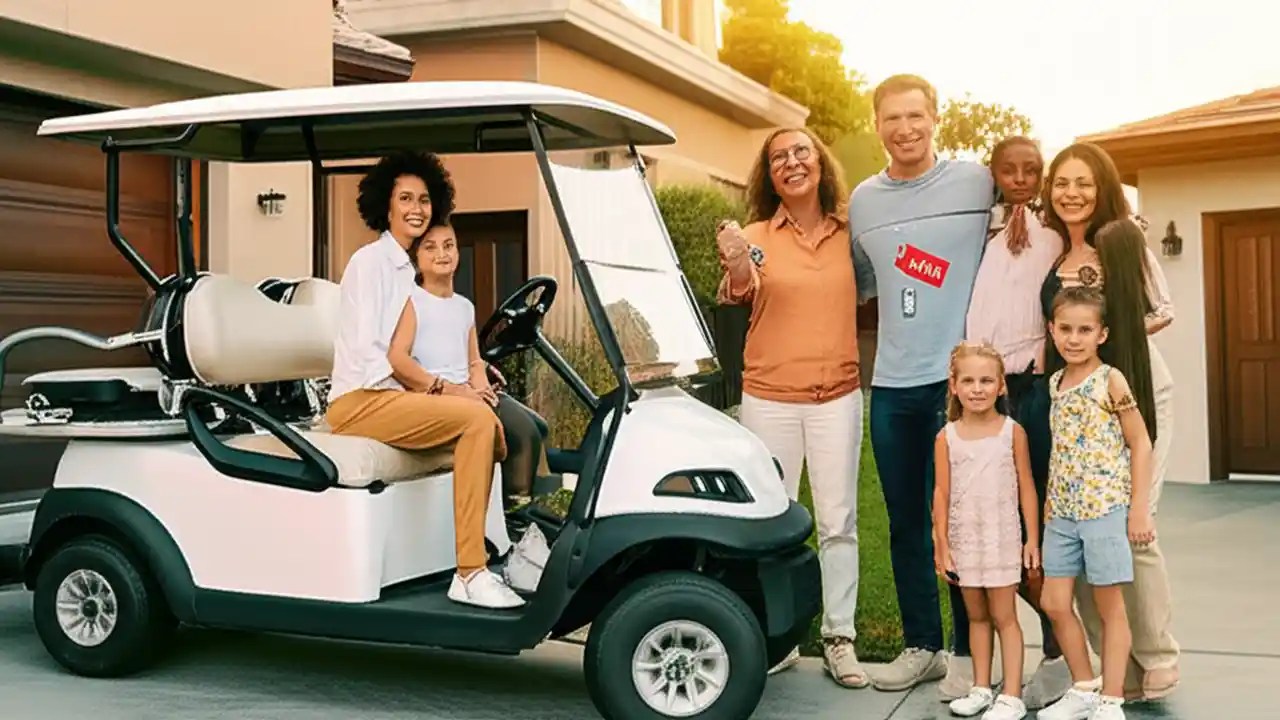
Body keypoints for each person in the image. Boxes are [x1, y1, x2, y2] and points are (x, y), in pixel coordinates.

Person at [325, 151, 524, 610]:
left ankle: (500, 547)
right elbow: (381, 357)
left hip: (391, 400)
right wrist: (448, 391)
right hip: (360, 401)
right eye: (405, 199)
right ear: (386, 206)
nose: (417, 208)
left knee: (485, 422)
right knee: (476, 422)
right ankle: (470, 572)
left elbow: (428, 345)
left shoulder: (407, 273)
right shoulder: (370, 263)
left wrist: (471, 379)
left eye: (425, 199)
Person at [848, 73, 994, 694]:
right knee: (906, 519)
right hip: (893, 389)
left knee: (962, 520)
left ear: (935, 118)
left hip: (957, 386)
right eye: (891, 119)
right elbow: (856, 284)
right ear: (876, 125)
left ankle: (967, 653)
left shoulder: (974, 182)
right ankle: (923, 645)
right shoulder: (863, 202)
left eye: (915, 116)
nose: (904, 129)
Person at [716, 127, 866, 687]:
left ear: (820, 163)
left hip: (838, 398)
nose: (792, 161)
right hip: (770, 399)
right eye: (779, 157)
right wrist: (735, 259)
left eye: (801, 151)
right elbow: (741, 287)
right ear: (769, 174)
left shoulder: (851, 230)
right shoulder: (755, 235)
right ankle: (778, 638)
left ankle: (839, 637)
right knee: (773, 522)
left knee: (838, 520)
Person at [1037, 143, 1180, 702]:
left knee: (1133, 528)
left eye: (1084, 183)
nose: (1071, 193)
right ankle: (1123, 672)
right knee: (1088, 537)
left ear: (1104, 187)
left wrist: (1107, 340)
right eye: (1062, 183)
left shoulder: (1124, 239)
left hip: (1135, 393)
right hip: (1077, 409)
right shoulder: (1053, 253)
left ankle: (1160, 654)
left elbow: (1163, 309)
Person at [964, 136, 1071, 708]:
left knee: (1038, 520)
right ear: (995, 174)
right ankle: (983, 660)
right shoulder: (977, 233)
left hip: (1031, 389)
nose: (1023, 178)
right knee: (983, 517)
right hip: (982, 388)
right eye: (1011, 169)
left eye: (1033, 170)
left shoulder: (1054, 238)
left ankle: (1057, 647)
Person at [1036, 284, 1155, 720]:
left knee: (1109, 608)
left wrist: (1138, 507)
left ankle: (1111, 699)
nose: (1073, 338)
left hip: (1104, 509)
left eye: (1084, 330)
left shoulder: (1111, 380)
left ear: (1101, 334)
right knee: (1053, 602)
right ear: (1051, 330)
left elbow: (1139, 441)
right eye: (1065, 328)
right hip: (1062, 514)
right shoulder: (1054, 383)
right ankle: (1084, 687)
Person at [387, 221, 551, 508]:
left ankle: (529, 510)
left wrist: (483, 389)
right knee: (523, 434)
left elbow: (474, 361)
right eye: (430, 247)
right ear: (417, 260)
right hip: (437, 397)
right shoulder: (412, 302)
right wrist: (455, 391)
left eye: (448, 245)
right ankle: (516, 521)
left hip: (467, 392)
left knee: (539, 426)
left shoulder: (464, 307)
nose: (442, 253)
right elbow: (398, 358)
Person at [932, 342, 1041, 720]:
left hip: (1001, 537)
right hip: (966, 539)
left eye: (986, 381)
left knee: (1004, 616)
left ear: (1001, 386)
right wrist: (941, 543)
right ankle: (981, 687)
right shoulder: (947, 436)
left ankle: (1011, 694)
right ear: (954, 386)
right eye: (969, 381)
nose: (977, 389)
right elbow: (941, 492)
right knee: (976, 617)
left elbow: (1026, 486)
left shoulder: (1012, 433)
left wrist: (1032, 539)